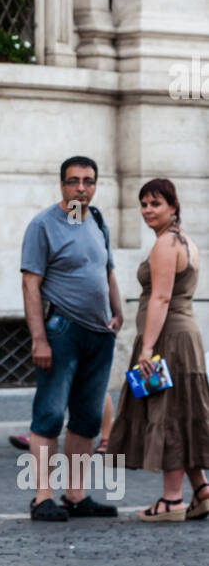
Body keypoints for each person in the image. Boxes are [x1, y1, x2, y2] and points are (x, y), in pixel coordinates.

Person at [20, 155, 124, 521]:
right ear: (62, 184)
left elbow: (107, 269)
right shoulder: (43, 225)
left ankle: (76, 495)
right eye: (74, 181)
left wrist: (118, 309)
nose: (81, 187)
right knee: (48, 414)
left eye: (88, 181)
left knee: (88, 419)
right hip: (61, 331)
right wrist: (39, 339)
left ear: (95, 185)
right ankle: (41, 497)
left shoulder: (96, 220)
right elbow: (30, 284)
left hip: (100, 334)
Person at [107, 179, 209, 522]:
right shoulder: (187, 241)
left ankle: (171, 500)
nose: (148, 210)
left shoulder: (166, 244)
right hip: (185, 337)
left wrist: (147, 348)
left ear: (173, 207)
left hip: (168, 339)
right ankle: (202, 490)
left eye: (156, 204)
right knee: (183, 409)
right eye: (144, 204)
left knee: (169, 414)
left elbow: (161, 298)